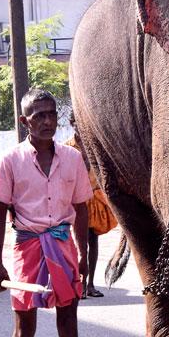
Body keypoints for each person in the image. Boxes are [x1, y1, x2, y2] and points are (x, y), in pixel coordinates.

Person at [0, 89, 94, 337]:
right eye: (39, 116)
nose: (48, 121)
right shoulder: (10, 161)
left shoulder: (73, 159)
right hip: (27, 248)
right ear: (25, 122)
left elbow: (81, 208)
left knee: (68, 323)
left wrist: (83, 253)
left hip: (62, 247)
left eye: (51, 114)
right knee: (25, 329)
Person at [66, 113, 118, 298]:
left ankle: (90, 284)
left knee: (93, 241)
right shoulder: (66, 148)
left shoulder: (96, 146)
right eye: (77, 123)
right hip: (74, 201)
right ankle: (77, 283)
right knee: (78, 244)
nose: (81, 126)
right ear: (72, 124)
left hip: (95, 200)